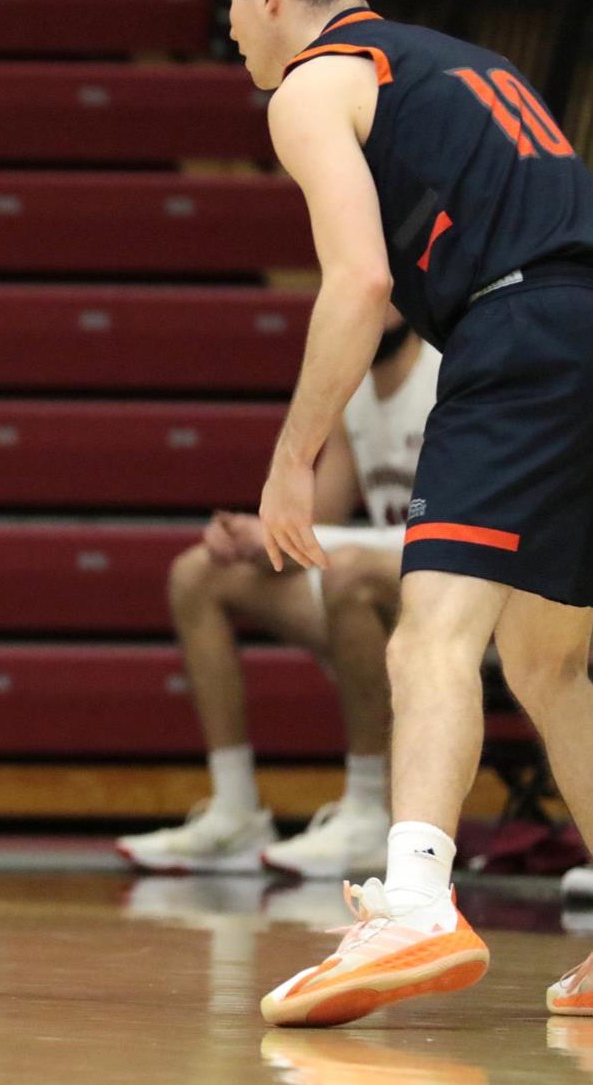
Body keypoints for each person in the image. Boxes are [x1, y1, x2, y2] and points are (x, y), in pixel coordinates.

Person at [229, 1, 593, 1026]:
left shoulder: (313, 82)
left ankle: (416, 900)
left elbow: (359, 280)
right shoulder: (454, 61)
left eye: (230, 12)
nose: (230, 36)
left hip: (516, 332)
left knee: (429, 632)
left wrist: (291, 457)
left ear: (265, 3)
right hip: (577, 322)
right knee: (546, 659)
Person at [117, 316, 438, 879]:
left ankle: (369, 810)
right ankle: (235, 808)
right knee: (199, 572)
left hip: (460, 597)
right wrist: (260, 540)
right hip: (385, 588)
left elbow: (447, 539)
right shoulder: (354, 390)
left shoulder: (448, 374)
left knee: (349, 576)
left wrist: (297, 538)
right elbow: (323, 529)